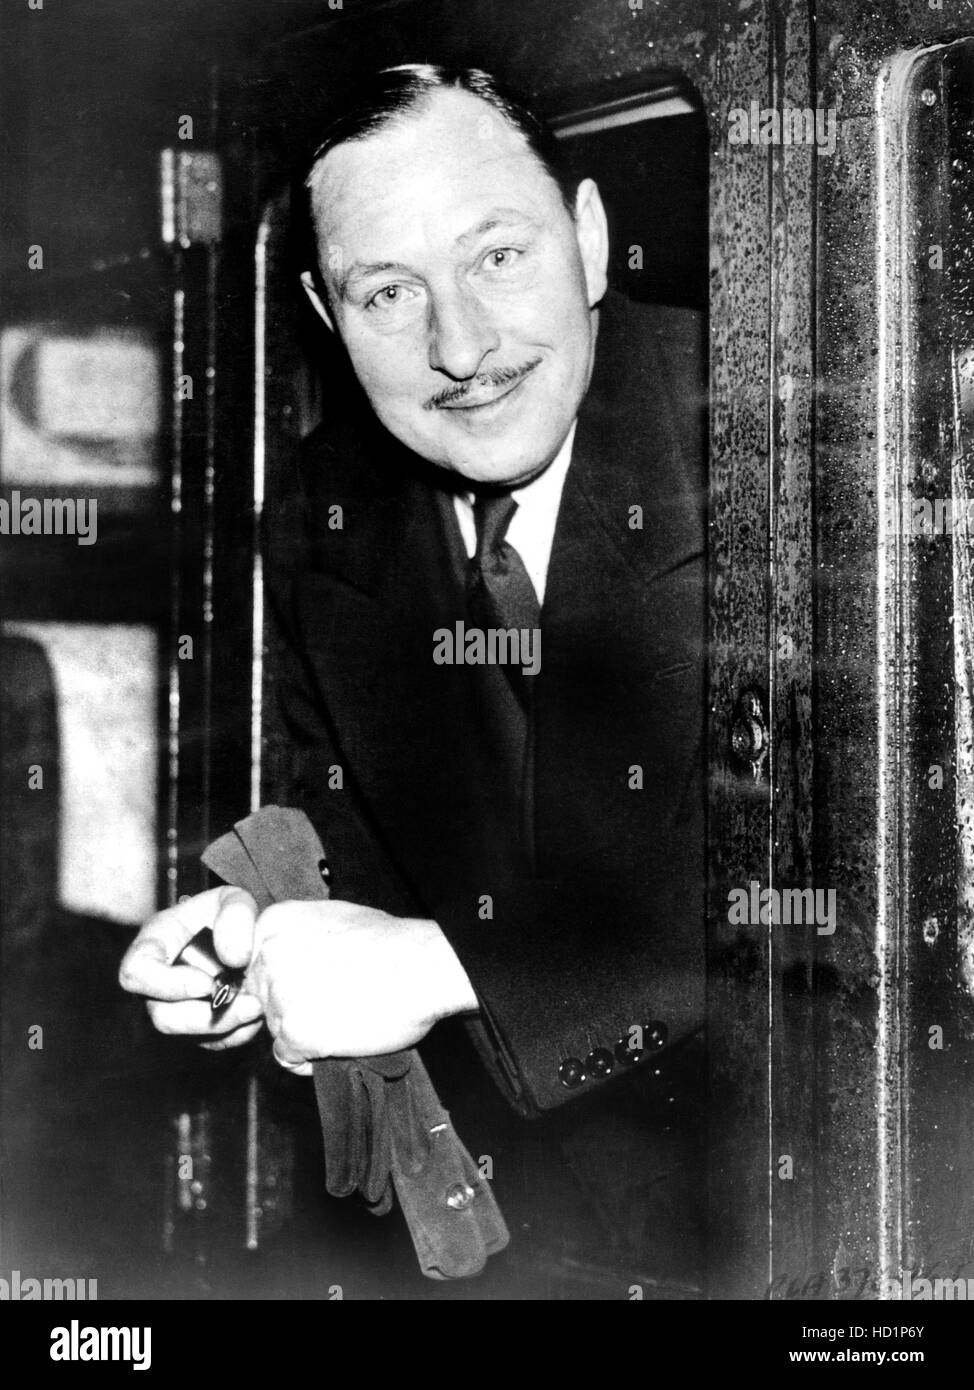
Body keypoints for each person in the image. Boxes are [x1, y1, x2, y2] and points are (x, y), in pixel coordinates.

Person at [120, 63, 707, 1283]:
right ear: (328, 321)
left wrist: (435, 966)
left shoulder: (785, 422)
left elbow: (839, 904)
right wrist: (258, 929)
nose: (461, 348)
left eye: (497, 256)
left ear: (590, 240)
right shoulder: (327, 505)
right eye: (387, 292)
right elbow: (352, 824)